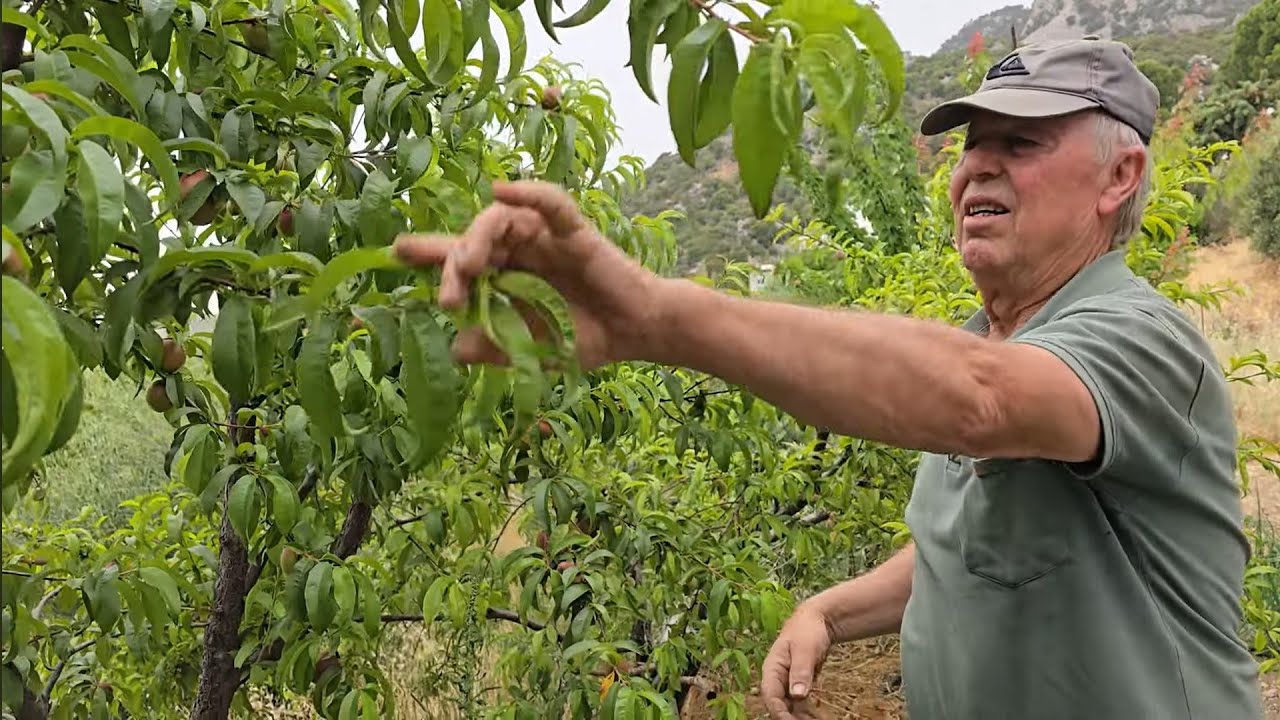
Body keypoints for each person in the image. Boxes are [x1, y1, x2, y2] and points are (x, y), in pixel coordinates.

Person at [392, 36, 1263, 720]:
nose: (977, 167)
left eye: (1022, 142)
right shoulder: (990, 340)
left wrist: (657, 319)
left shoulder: (1139, 341)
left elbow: (983, 397)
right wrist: (831, 611)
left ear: (1120, 176)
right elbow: (975, 545)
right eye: (972, 145)